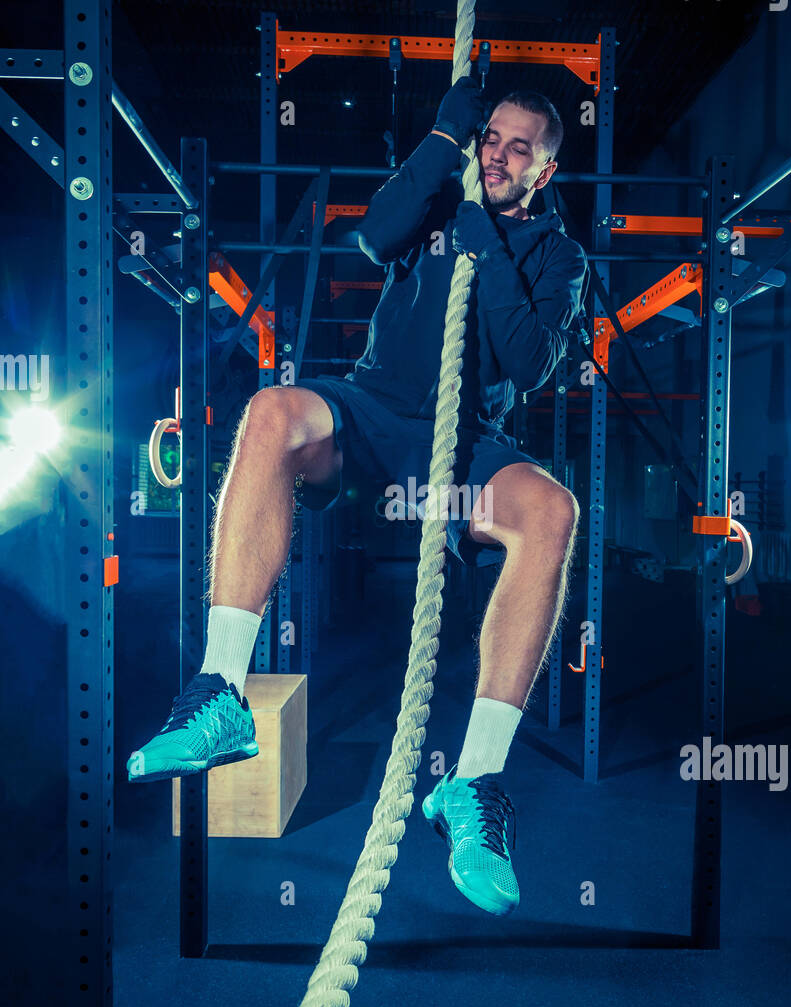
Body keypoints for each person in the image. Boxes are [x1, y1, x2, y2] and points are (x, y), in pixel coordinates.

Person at [127, 71, 588, 918]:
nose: (497, 153)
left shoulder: (559, 256)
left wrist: (481, 235)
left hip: (466, 445)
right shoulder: (438, 200)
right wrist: (443, 141)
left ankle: (474, 786)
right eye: (491, 137)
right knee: (270, 412)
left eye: (518, 147)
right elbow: (373, 237)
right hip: (374, 410)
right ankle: (220, 695)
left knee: (554, 511)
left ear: (543, 172)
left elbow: (529, 363)